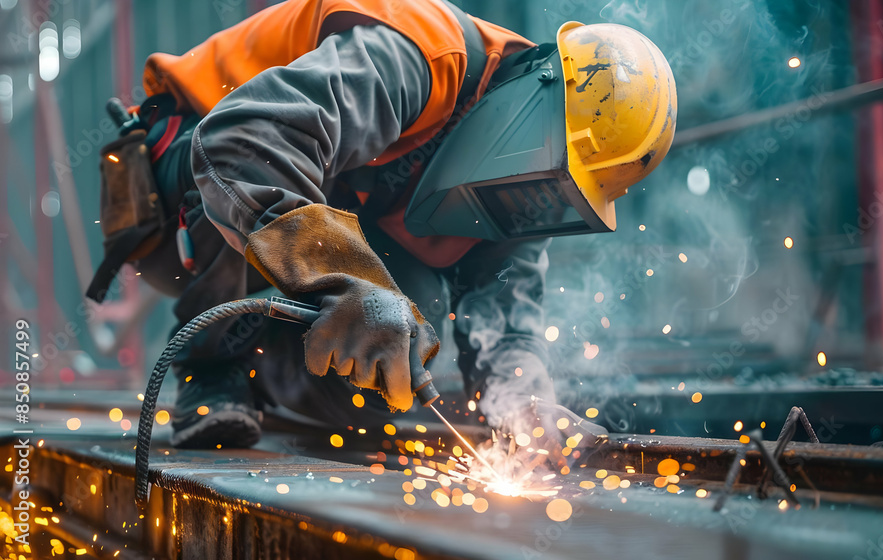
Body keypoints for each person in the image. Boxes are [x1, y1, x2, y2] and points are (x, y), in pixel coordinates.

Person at [87, 0, 677, 455]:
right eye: (545, 180)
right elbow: (237, 145)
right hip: (182, 185)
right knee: (366, 288)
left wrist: (524, 403)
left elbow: (506, 325)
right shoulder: (416, 58)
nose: (535, 202)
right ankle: (211, 368)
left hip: (298, 209)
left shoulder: (532, 175)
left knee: (404, 337)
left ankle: (260, 366)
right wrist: (349, 281)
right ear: (532, 104)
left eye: (557, 194)